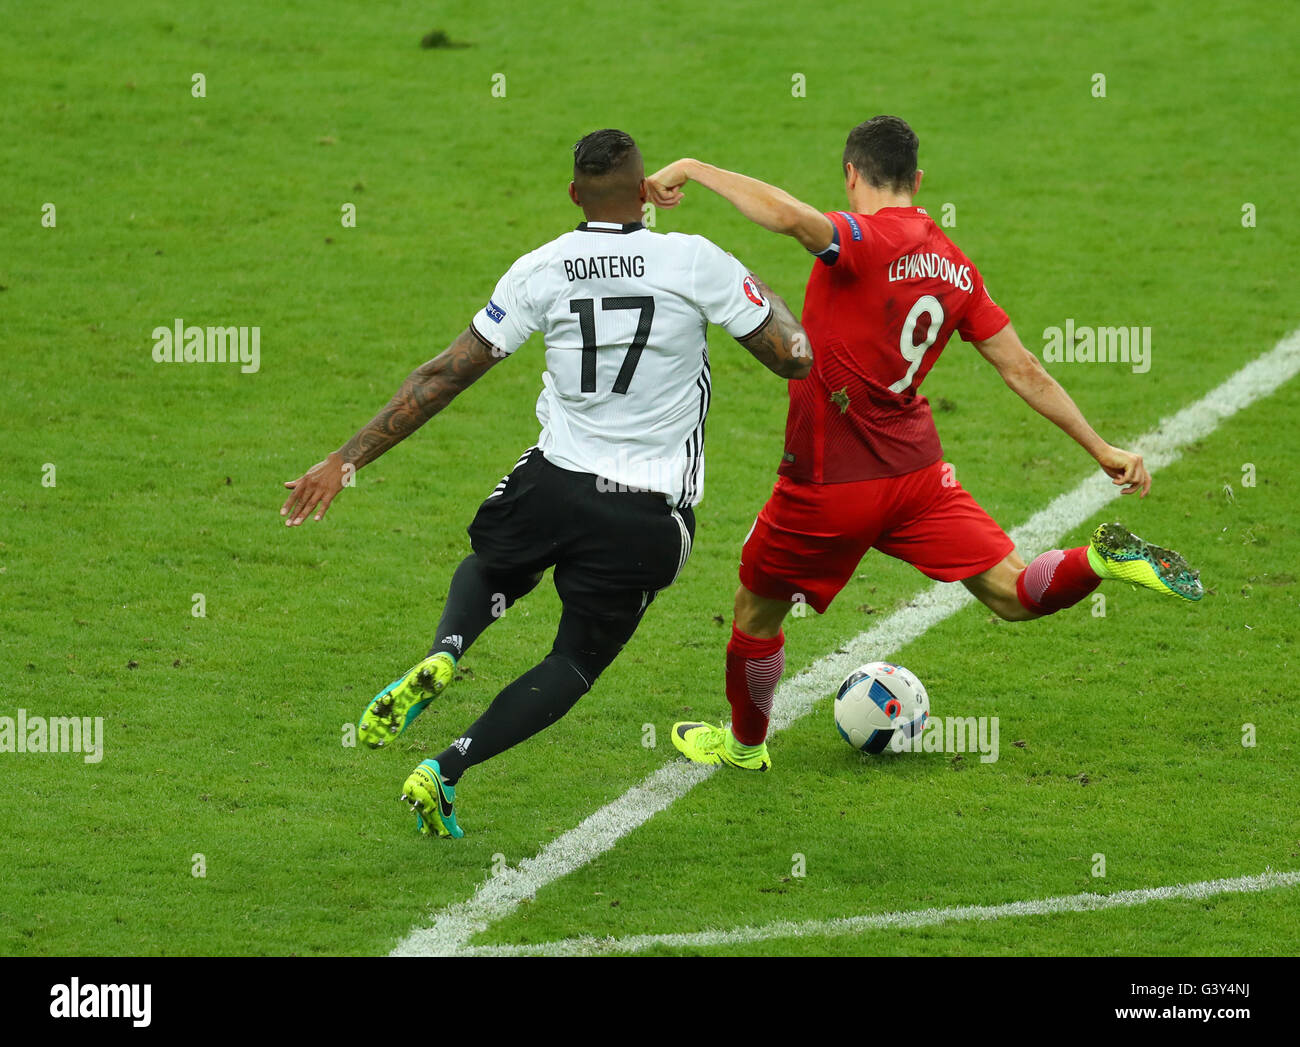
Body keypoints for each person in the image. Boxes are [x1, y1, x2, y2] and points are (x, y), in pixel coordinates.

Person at [280, 129, 809, 836]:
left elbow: (444, 375)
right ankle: (448, 766)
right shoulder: (693, 261)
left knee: (495, 564)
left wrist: (343, 461)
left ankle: (448, 649)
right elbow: (793, 355)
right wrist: (748, 289)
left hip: (552, 482)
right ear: (646, 189)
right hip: (646, 515)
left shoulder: (544, 267)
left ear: (573, 194)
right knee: (573, 660)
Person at [645, 115, 1202, 773]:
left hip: (828, 483)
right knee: (1013, 592)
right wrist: (1100, 445)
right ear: (919, 179)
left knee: (755, 613)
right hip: (916, 475)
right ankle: (1104, 562)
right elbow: (1022, 366)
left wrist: (694, 168)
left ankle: (743, 746)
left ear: (852, 174)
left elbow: (793, 219)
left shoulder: (860, 236)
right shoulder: (957, 267)